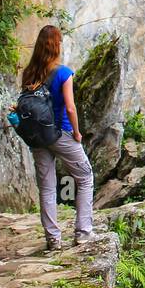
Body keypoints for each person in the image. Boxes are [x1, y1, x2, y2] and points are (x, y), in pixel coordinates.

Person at [20, 25, 95, 251]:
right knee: (84, 177)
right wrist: (77, 132)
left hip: (37, 137)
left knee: (47, 187)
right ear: (56, 46)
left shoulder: (29, 73)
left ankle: (53, 239)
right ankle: (83, 232)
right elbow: (70, 108)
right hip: (60, 133)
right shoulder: (63, 73)